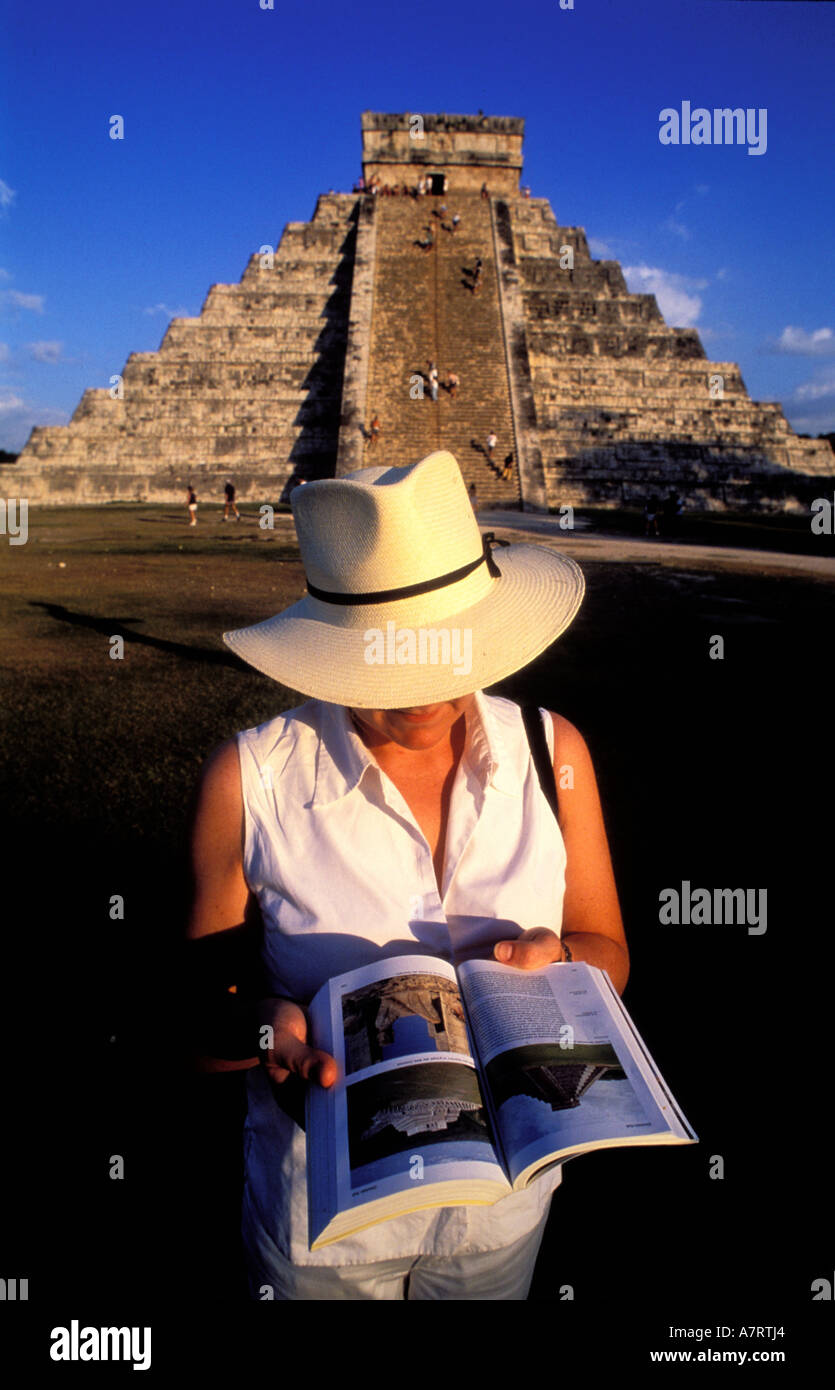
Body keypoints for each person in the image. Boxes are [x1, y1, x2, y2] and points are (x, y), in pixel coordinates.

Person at [187, 449, 628, 1301]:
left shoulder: (552, 752)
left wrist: (561, 960)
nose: (425, 694)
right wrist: (256, 1032)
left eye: (448, 653)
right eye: (386, 663)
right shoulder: (250, 777)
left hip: (502, 1207)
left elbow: (610, 950)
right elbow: (190, 1014)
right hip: (322, 1222)